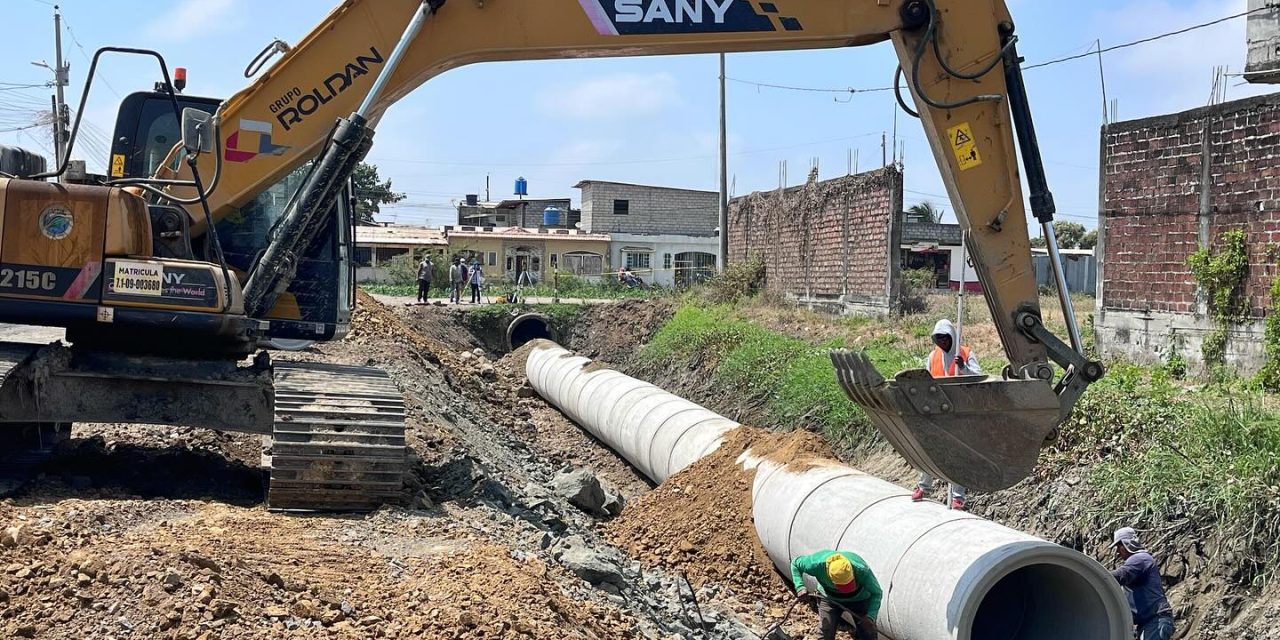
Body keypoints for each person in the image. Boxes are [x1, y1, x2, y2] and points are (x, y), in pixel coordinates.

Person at [911, 318, 982, 510]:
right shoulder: (933, 356)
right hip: (938, 411)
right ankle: (923, 487)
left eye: (945, 338)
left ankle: (958, 497)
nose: (942, 342)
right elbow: (925, 380)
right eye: (938, 339)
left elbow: (979, 377)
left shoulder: (965, 353)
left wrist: (963, 368)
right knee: (931, 450)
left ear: (952, 337)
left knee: (958, 455)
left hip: (960, 412)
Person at [791, 550, 882, 640]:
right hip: (829, 599)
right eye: (843, 586)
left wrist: (871, 617)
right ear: (830, 577)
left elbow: (877, 593)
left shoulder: (861, 570)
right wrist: (800, 587)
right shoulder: (816, 565)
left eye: (850, 583)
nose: (847, 590)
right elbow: (795, 564)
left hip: (859, 599)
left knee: (868, 633)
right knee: (826, 632)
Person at [1111, 527, 1175, 640]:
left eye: (1119, 546)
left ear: (1127, 544)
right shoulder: (1139, 560)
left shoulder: (1140, 559)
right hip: (1148, 623)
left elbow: (1120, 576)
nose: (1117, 551)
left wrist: (1095, 574)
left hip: (1155, 620)